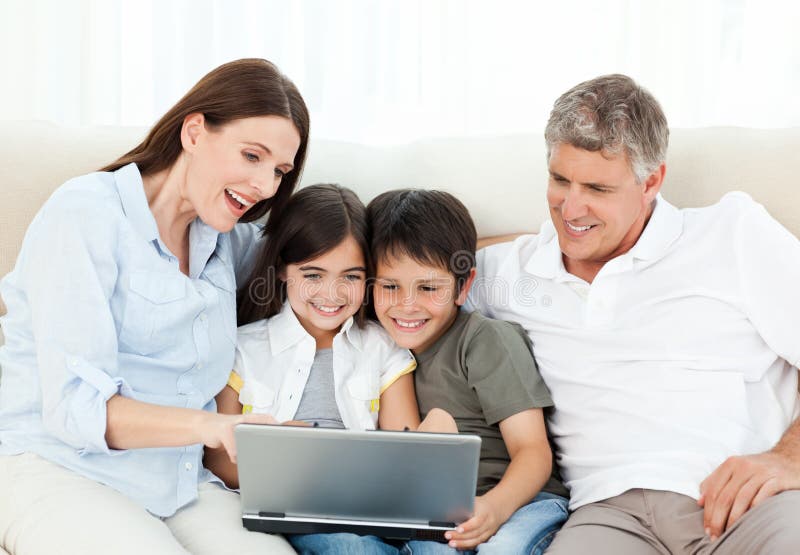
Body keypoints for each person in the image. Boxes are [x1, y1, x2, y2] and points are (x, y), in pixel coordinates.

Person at [468, 74, 800, 554]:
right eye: (560, 180)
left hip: (744, 506)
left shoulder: (732, 233)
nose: (570, 207)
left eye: (598, 189)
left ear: (652, 182)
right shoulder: (511, 271)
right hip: (606, 518)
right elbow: (415, 271)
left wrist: (788, 458)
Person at [0, 58, 309, 555]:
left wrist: (459, 257)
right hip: (58, 466)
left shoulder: (224, 241)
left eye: (279, 171)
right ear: (194, 132)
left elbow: (337, 258)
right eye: (252, 156)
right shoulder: (85, 213)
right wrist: (216, 428)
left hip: (177, 479)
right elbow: (77, 408)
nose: (265, 186)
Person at [207, 184, 455, 554]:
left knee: (439, 548)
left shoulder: (382, 346)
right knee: (348, 547)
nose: (333, 293)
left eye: (351, 277)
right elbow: (216, 461)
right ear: (281, 271)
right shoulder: (243, 349)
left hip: (372, 506)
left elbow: (404, 447)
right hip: (296, 509)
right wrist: (278, 470)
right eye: (313, 275)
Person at [370, 189, 570, 555]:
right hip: (442, 514)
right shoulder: (376, 349)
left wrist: (494, 507)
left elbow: (532, 451)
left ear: (464, 286)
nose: (406, 305)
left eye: (429, 287)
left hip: (521, 503)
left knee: (503, 550)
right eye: (389, 286)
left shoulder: (484, 340)